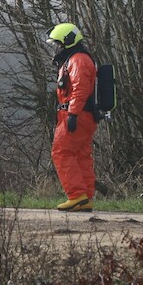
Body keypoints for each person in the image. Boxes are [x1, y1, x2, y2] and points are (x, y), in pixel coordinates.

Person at [48, 22, 98, 212]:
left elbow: (80, 90)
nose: (57, 47)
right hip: (82, 114)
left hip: (76, 114)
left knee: (61, 152)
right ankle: (85, 197)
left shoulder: (77, 60)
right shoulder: (78, 58)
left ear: (67, 41)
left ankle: (77, 195)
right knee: (81, 155)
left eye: (59, 43)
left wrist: (73, 114)